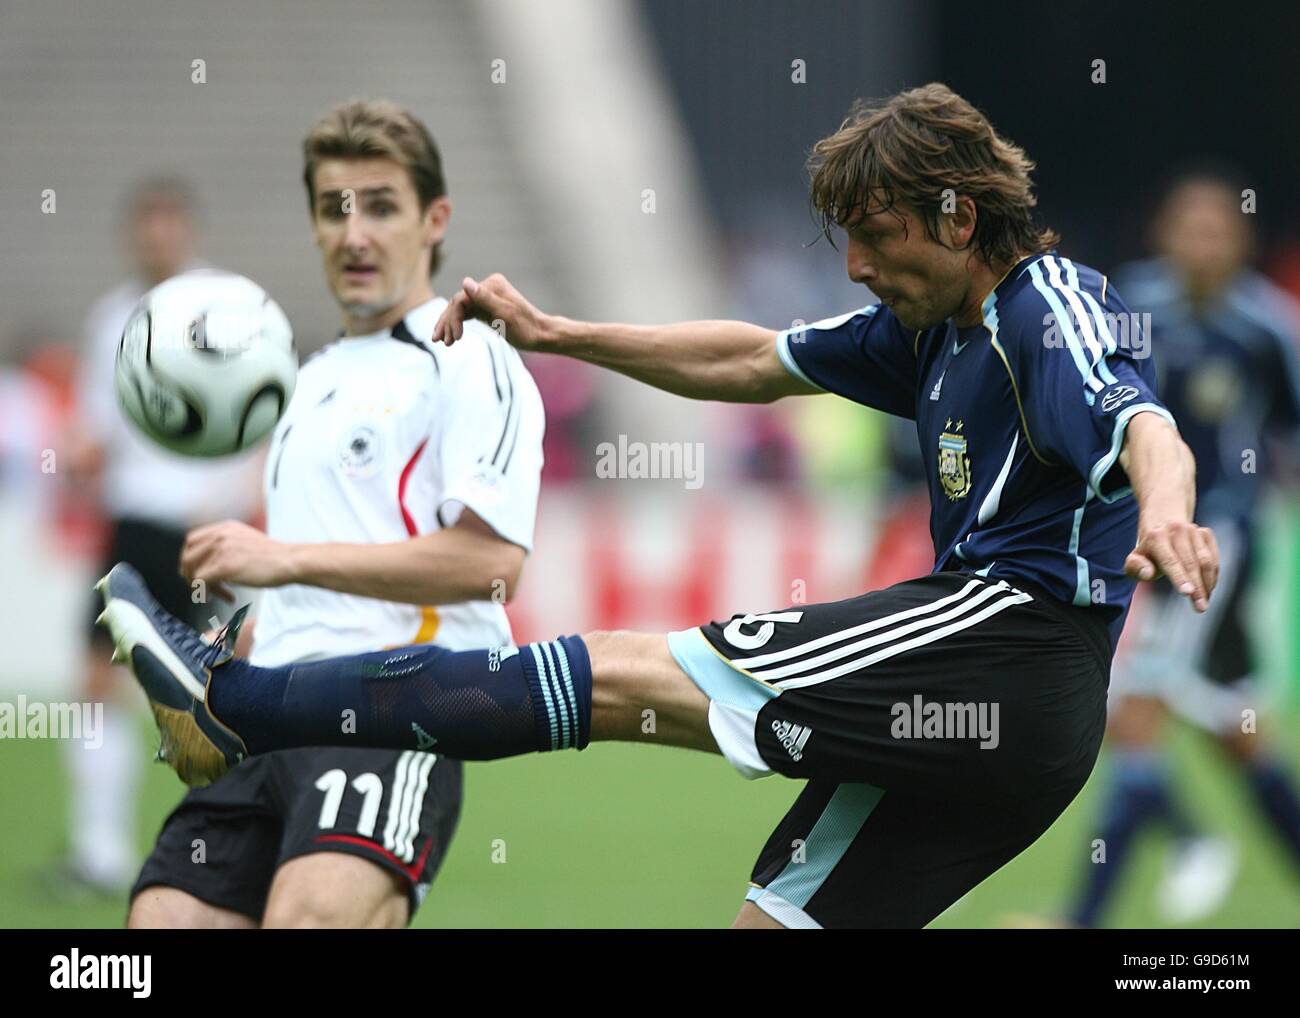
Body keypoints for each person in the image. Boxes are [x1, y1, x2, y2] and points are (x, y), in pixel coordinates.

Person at [100, 83, 1217, 929]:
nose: (859, 266)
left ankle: (234, 702)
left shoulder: (1044, 306)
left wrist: (1168, 511)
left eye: (875, 236)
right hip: (1001, 729)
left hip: (1003, 644)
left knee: (621, 674)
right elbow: (747, 360)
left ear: (960, 217)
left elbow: (1140, 422)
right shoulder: (930, 329)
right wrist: (562, 335)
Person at [121, 99, 544, 928]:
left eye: (380, 206)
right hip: (268, 721)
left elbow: (490, 566)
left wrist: (283, 558)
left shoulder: (467, 353)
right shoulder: (303, 378)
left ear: (434, 219)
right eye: (332, 208)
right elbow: (309, 584)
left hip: (392, 709)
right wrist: (225, 663)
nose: (354, 234)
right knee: (160, 922)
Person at [1063, 166, 1300, 927]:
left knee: (1131, 709)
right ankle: (1194, 839)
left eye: (1219, 229)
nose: (1203, 243)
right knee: (1234, 732)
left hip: (1216, 543)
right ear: (1164, 234)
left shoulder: (1266, 328)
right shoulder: (1130, 307)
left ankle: (1090, 914)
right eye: (1189, 227)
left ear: (1242, 241)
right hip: (1135, 538)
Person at [56, 178, 260, 896]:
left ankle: (241, 844)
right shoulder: (111, 314)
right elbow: (97, 430)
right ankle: (98, 852)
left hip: (206, 527)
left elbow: (266, 407)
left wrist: (244, 491)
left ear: (188, 232)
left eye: (168, 226)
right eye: (146, 227)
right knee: (95, 682)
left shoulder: (228, 308)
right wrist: (78, 454)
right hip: (133, 522)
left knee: (228, 689)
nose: (157, 240)